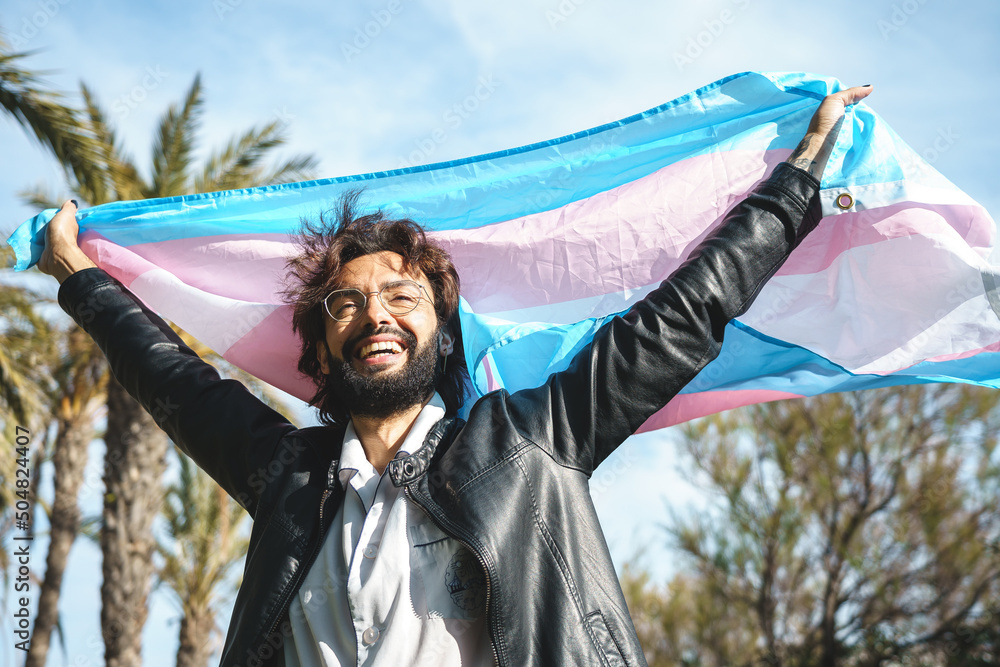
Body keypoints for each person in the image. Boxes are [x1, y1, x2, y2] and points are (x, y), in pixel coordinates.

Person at [39, 85, 873, 667]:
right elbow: (180, 383)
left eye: (402, 296)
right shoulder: (290, 478)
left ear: (442, 336)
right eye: (346, 305)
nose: (375, 315)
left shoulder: (533, 441)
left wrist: (792, 187)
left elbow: (680, 318)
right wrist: (77, 271)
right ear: (322, 352)